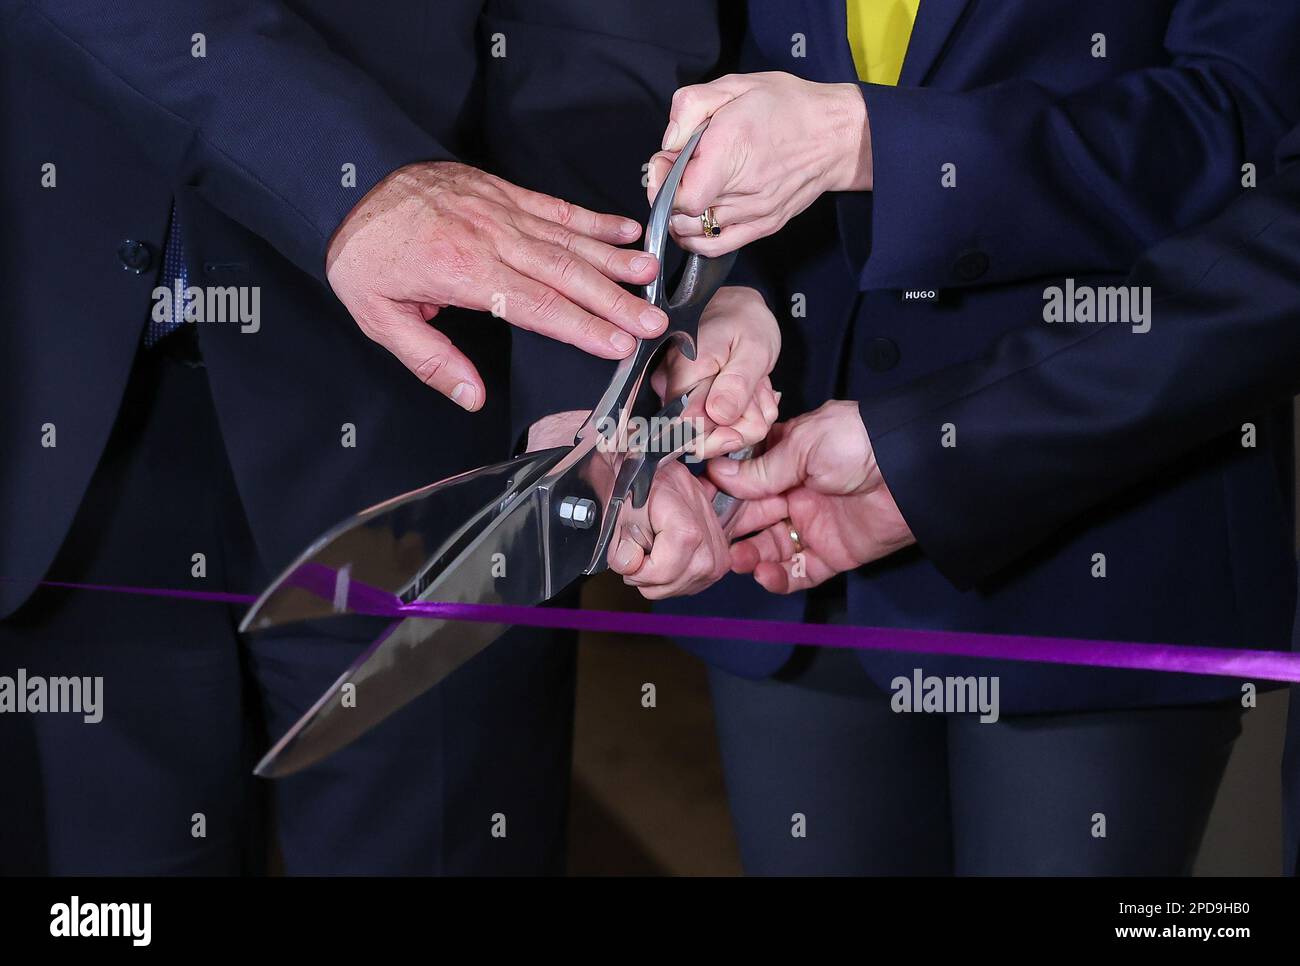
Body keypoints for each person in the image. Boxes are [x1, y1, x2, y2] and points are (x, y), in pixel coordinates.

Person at [0, 0, 736, 874]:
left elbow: (597, 29)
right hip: (64, 408)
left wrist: (592, 389)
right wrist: (347, 176)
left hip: (441, 437)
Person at [617, 0, 1300, 874]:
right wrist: (722, 285)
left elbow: (1246, 128)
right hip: (784, 523)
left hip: (1104, 543)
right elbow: (679, 52)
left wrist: (868, 141)